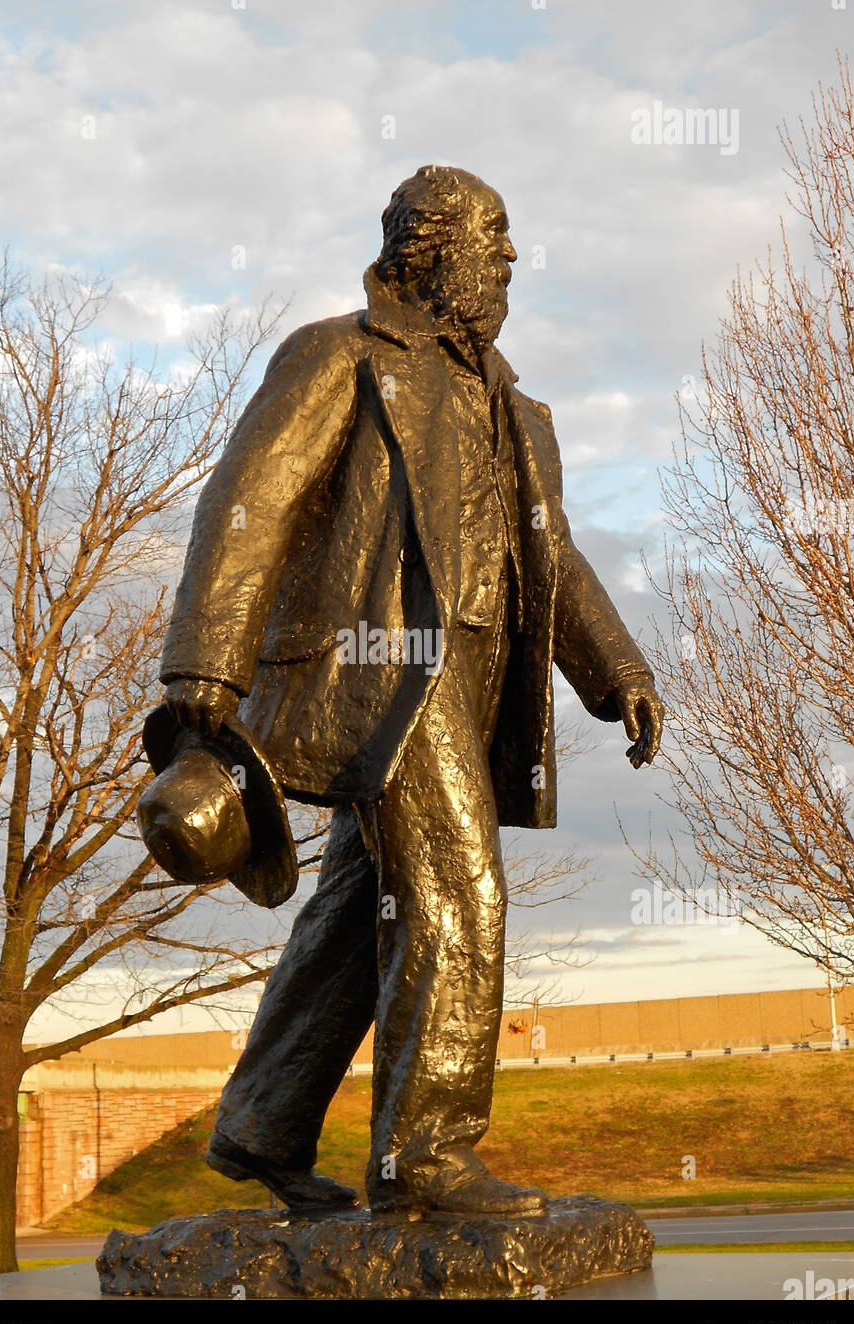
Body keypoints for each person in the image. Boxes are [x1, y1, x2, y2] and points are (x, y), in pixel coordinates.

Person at [150, 165, 664, 1217]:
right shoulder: (338, 354)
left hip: (472, 684)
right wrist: (205, 665)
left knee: (351, 912)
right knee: (456, 889)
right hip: (376, 667)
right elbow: (248, 500)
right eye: (495, 234)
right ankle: (423, 1156)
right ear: (429, 247)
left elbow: (549, 556)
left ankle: (259, 1125)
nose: (511, 257)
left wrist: (617, 671)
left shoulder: (510, 404)